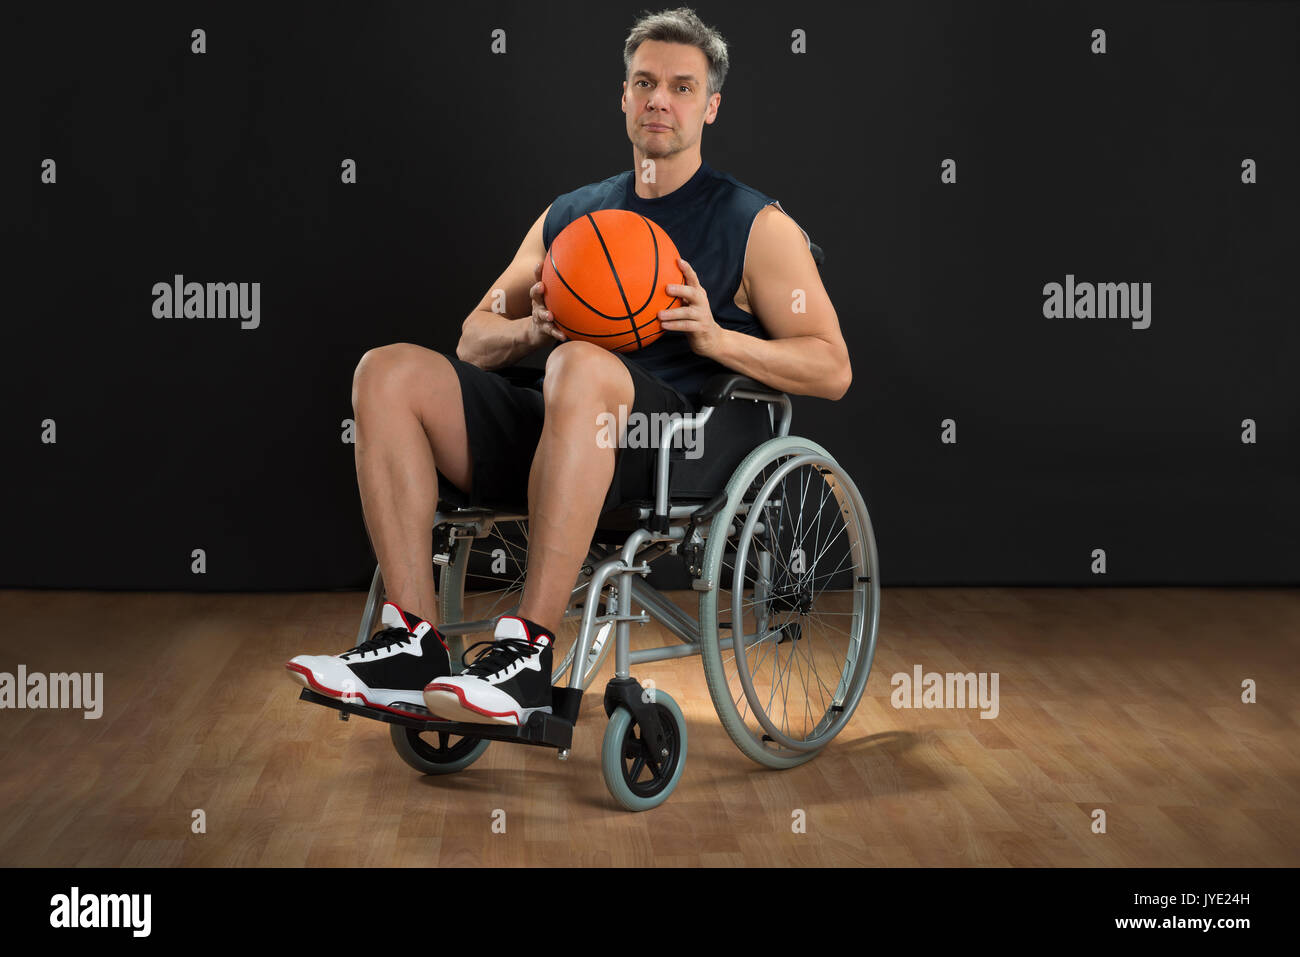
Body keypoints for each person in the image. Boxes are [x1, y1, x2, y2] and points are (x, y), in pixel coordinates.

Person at [285, 6, 851, 727]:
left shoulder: (755, 225)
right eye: (644, 82)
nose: (658, 100)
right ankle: (410, 642)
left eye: (681, 87)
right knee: (385, 371)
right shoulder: (571, 217)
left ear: (711, 105)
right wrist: (528, 329)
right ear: (622, 96)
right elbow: (472, 337)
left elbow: (831, 366)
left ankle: (526, 653)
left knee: (581, 366)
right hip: (554, 420)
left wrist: (715, 337)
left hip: (671, 445)